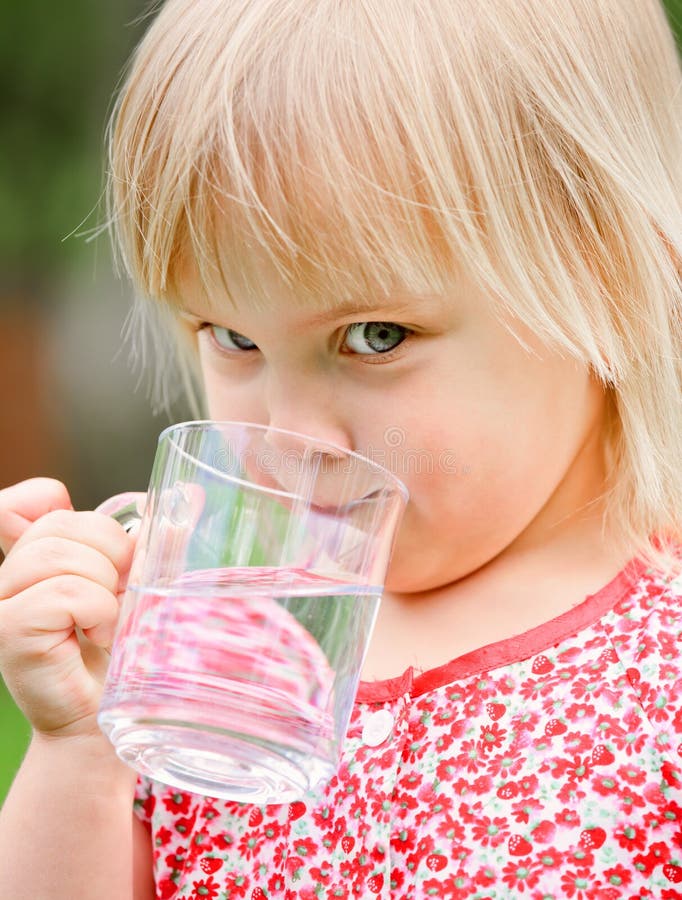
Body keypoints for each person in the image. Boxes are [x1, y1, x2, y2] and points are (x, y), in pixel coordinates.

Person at [1, 0, 681, 896]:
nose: (289, 442)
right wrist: (84, 747)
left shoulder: (658, 676)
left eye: (374, 337)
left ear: (607, 282)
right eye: (232, 338)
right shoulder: (220, 648)